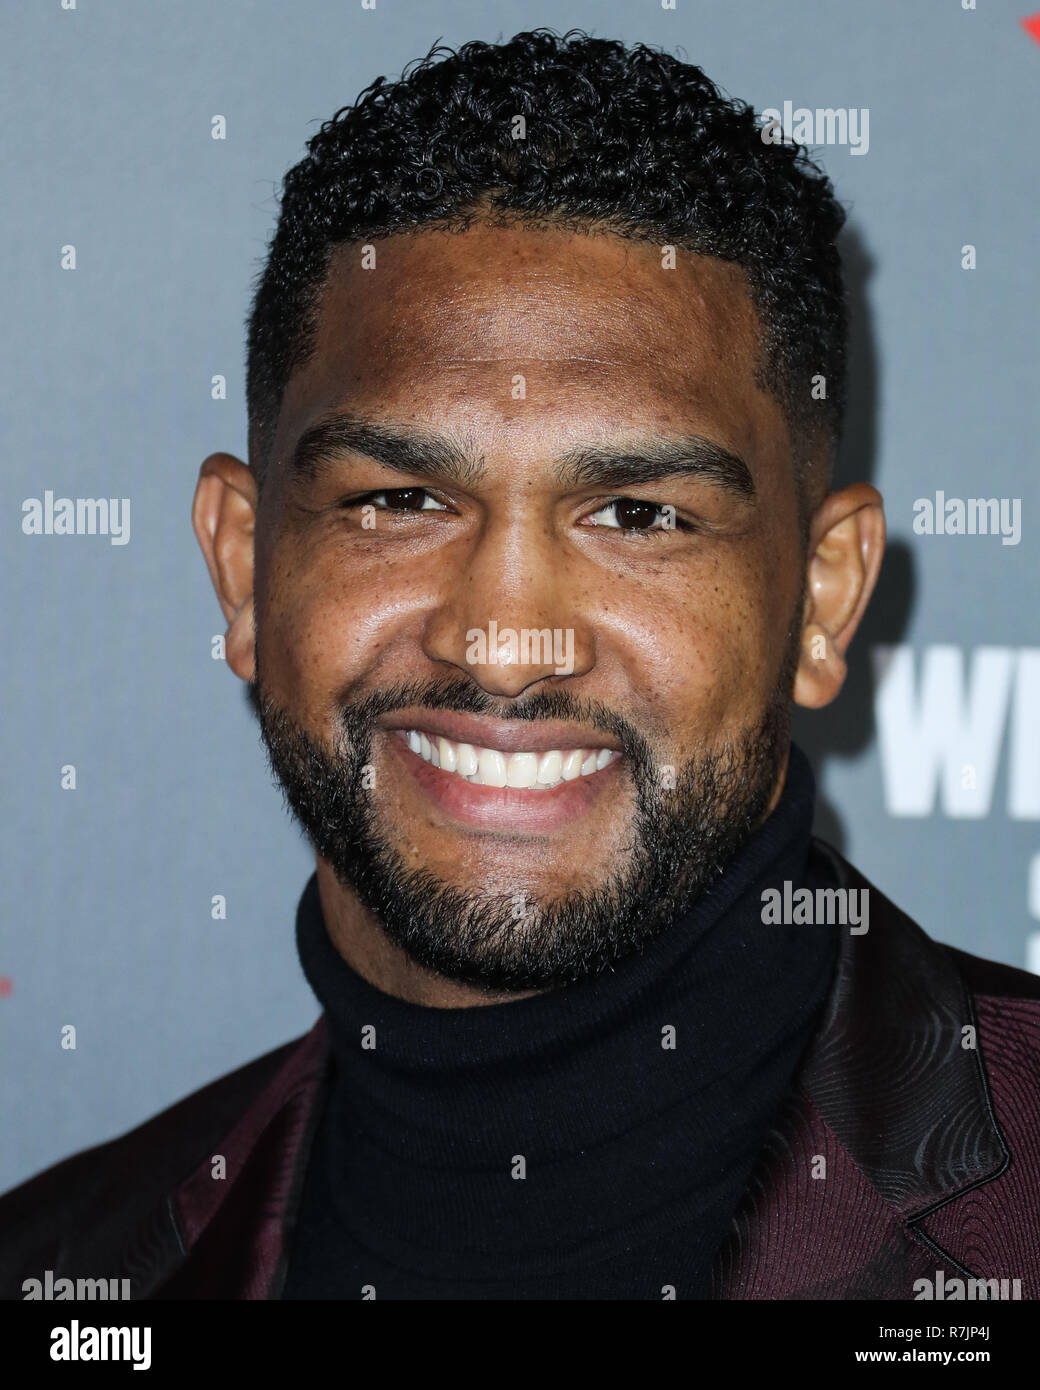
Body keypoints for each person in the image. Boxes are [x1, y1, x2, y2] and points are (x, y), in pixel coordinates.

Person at [3, 29, 1038, 1302]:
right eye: (398, 499)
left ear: (822, 600)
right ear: (242, 567)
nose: (502, 638)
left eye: (639, 515)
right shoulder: (66, 1270)